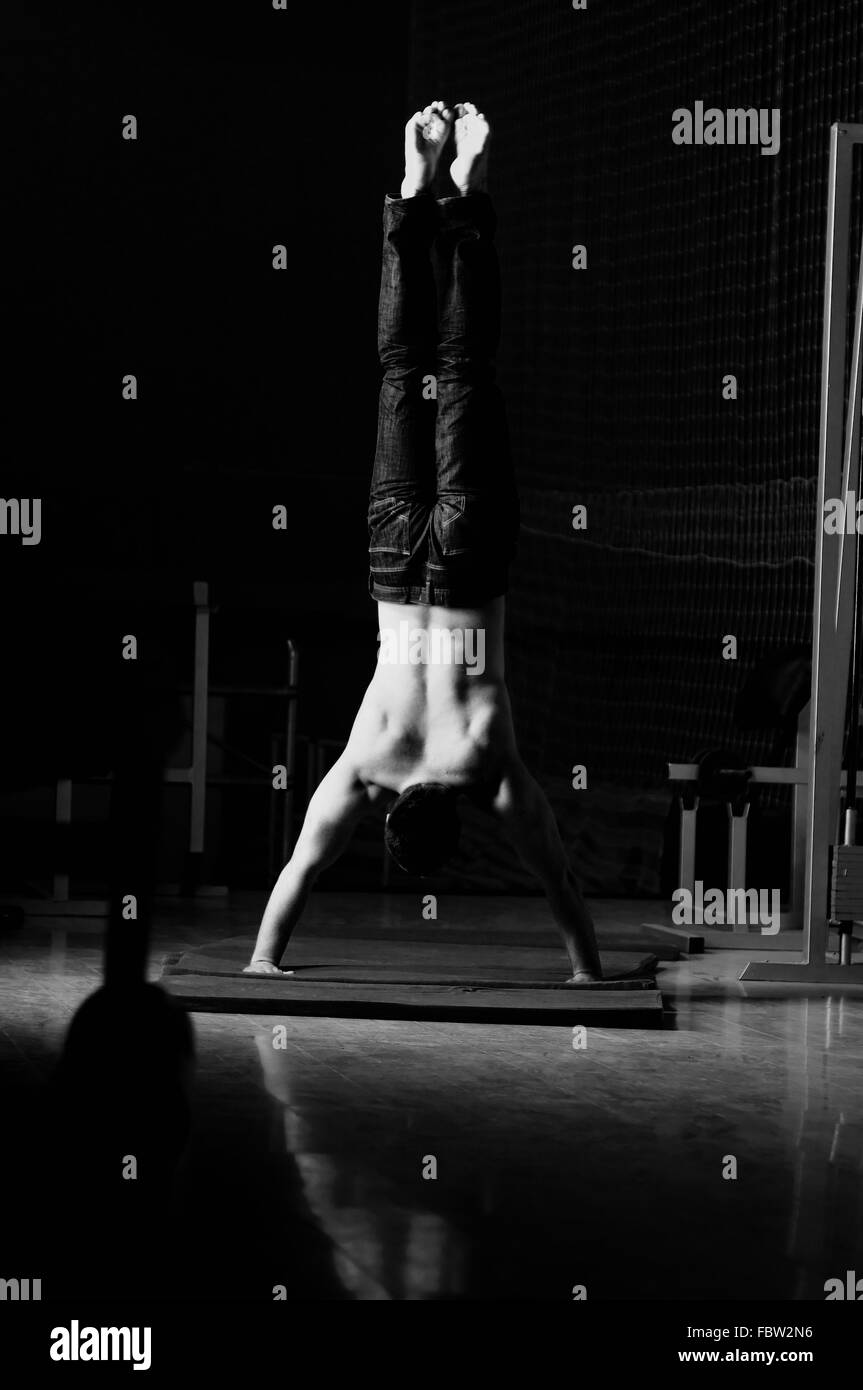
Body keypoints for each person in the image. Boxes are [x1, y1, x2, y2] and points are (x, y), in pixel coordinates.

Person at [245, 102, 601, 982]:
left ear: (454, 810)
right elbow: (299, 871)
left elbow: (558, 882)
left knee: (466, 370)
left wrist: (587, 973)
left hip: (470, 561)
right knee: (405, 373)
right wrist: (260, 959)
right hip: (395, 565)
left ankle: (466, 188)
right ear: (396, 807)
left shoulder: (490, 772)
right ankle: (409, 194)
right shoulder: (365, 768)